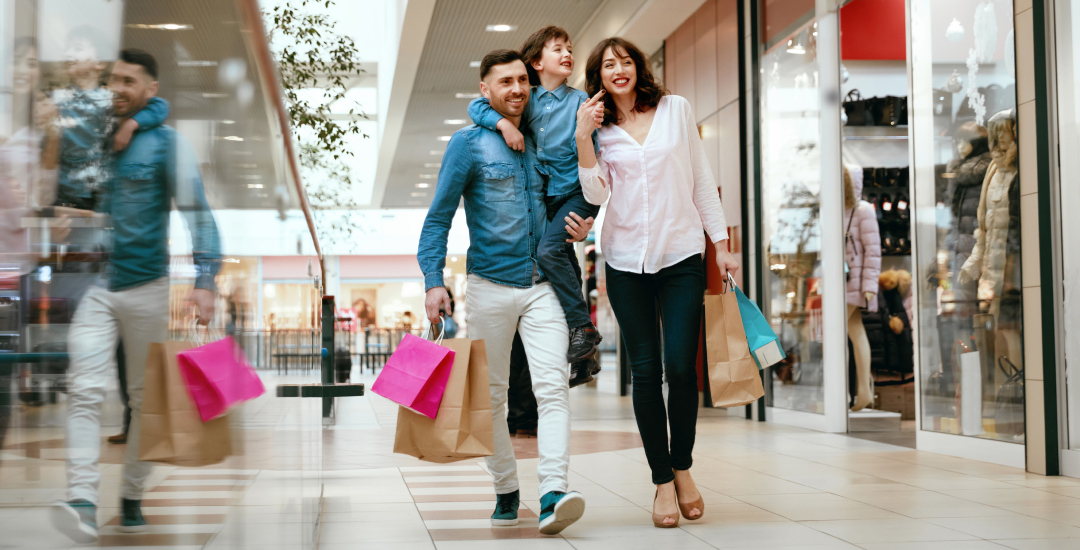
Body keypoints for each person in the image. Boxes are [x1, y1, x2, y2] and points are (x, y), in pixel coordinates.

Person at [419, 49, 593, 535]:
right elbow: (438, 218)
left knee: (552, 388)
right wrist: (433, 281)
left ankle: (554, 490)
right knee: (492, 397)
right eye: (505, 82)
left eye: (522, 80)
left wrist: (582, 227)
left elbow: (576, 190)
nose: (517, 89)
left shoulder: (543, 135)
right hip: (489, 286)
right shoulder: (468, 145)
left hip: (544, 286)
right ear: (486, 90)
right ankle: (505, 489)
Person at [51, 49, 222, 543]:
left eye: (129, 80)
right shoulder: (91, 138)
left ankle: (130, 495)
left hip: (148, 286)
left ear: (151, 89)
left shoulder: (168, 145)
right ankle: (82, 499)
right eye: (113, 80)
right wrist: (63, 216)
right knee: (84, 388)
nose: (117, 88)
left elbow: (198, 212)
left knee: (144, 402)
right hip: (95, 286)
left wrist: (204, 280)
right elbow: (72, 198)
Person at [577, 37, 738, 529]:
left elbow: (699, 179)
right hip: (625, 261)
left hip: (682, 254)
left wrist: (722, 243)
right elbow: (595, 193)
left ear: (638, 67)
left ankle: (683, 467)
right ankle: (662, 481)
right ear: (599, 77)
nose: (618, 70)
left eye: (625, 61)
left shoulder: (675, 110)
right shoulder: (598, 129)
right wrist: (584, 139)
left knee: (681, 368)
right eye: (608, 65)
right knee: (645, 372)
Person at [468, 26, 601, 385]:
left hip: (577, 193)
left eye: (570, 48)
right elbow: (476, 105)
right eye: (558, 49)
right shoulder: (528, 99)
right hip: (547, 196)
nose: (567, 54)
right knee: (561, 257)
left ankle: (582, 330)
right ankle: (585, 349)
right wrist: (504, 126)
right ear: (537, 63)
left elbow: (598, 161)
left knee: (547, 251)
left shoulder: (581, 102)